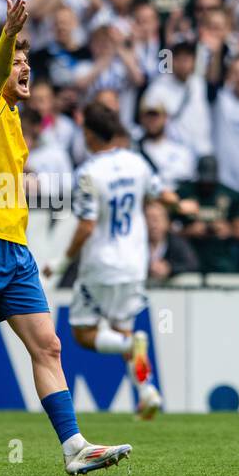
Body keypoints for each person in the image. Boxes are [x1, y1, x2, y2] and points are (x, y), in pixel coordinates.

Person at [0, 0, 131, 476]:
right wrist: (8, 33)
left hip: (15, 250)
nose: (24, 69)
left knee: (48, 346)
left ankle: (74, 446)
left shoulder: (12, 118)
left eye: (27, 62)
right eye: (16, 62)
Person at [46, 102, 177, 420]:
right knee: (122, 330)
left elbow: (87, 225)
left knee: (84, 333)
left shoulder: (88, 174)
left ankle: (130, 348)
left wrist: (61, 264)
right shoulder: (136, 162)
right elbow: (162, 195)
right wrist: (184, 205)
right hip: (134, 263)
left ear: (89, 134)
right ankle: (147, 392)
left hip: (102, 264)